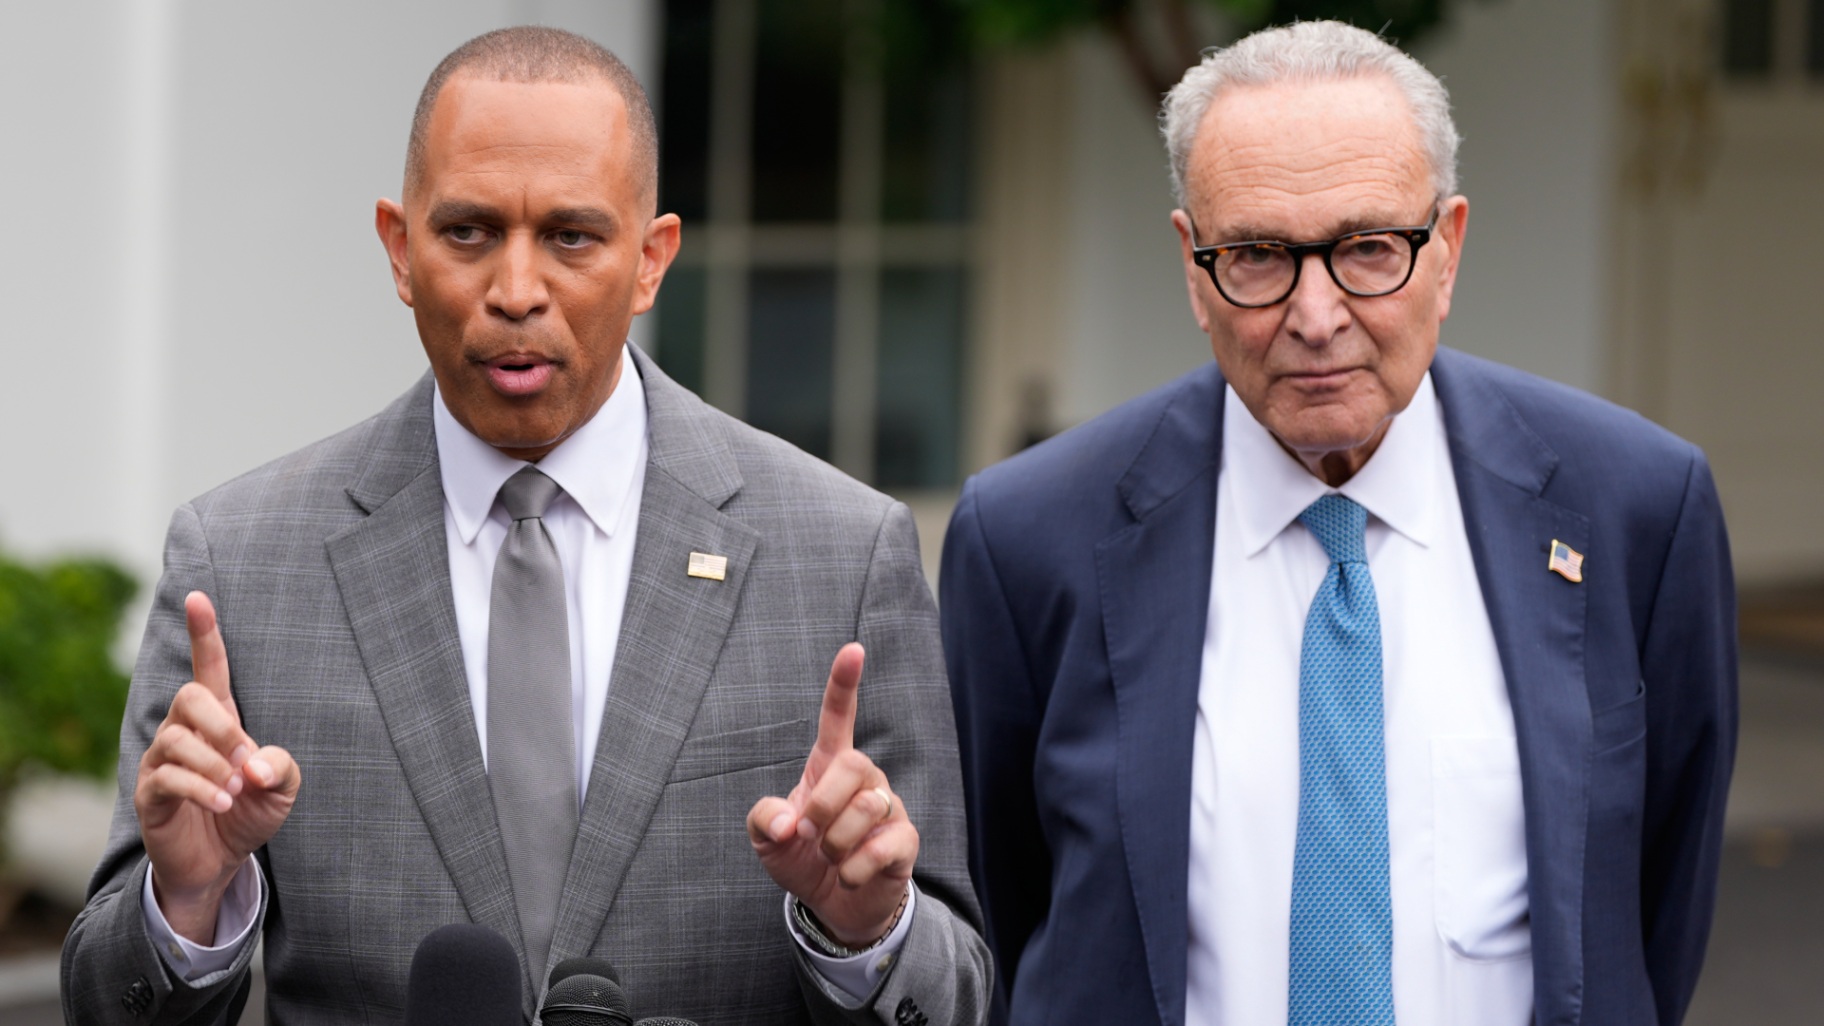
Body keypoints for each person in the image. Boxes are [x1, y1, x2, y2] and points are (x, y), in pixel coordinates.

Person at [63, 26, 988, 1026]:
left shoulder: (842, 556)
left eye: (570, 237)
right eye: (467, 232)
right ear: (400, 248)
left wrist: (868, 935)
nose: (515, 291)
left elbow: (957, 994)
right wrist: (185, 907)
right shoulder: (243, 563)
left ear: (651, 260)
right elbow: (105, 999)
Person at [941, 20, 1734, 1026]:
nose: (1317, 317)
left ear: (1447, 250)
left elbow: (1654, 913)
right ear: (1193, 266)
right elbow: (999, 913)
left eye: (1367, 249)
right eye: (1258, 255)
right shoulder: (1027, 540)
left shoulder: (1636, 510)